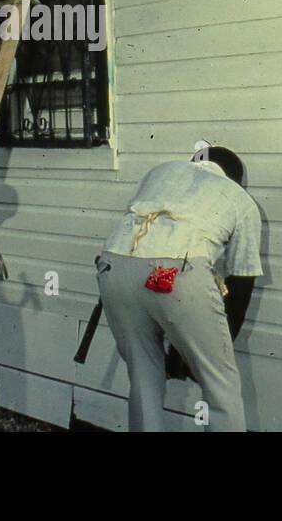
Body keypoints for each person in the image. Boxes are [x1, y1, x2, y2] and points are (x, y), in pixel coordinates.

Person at [96, 146, 262, 432]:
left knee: (143, 374)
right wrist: (208, 351)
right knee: (220, 382)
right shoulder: (241, 199)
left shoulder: (160, 173)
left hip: (114, 265)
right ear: (233, 177)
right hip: (177, 271)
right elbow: (242, 280)